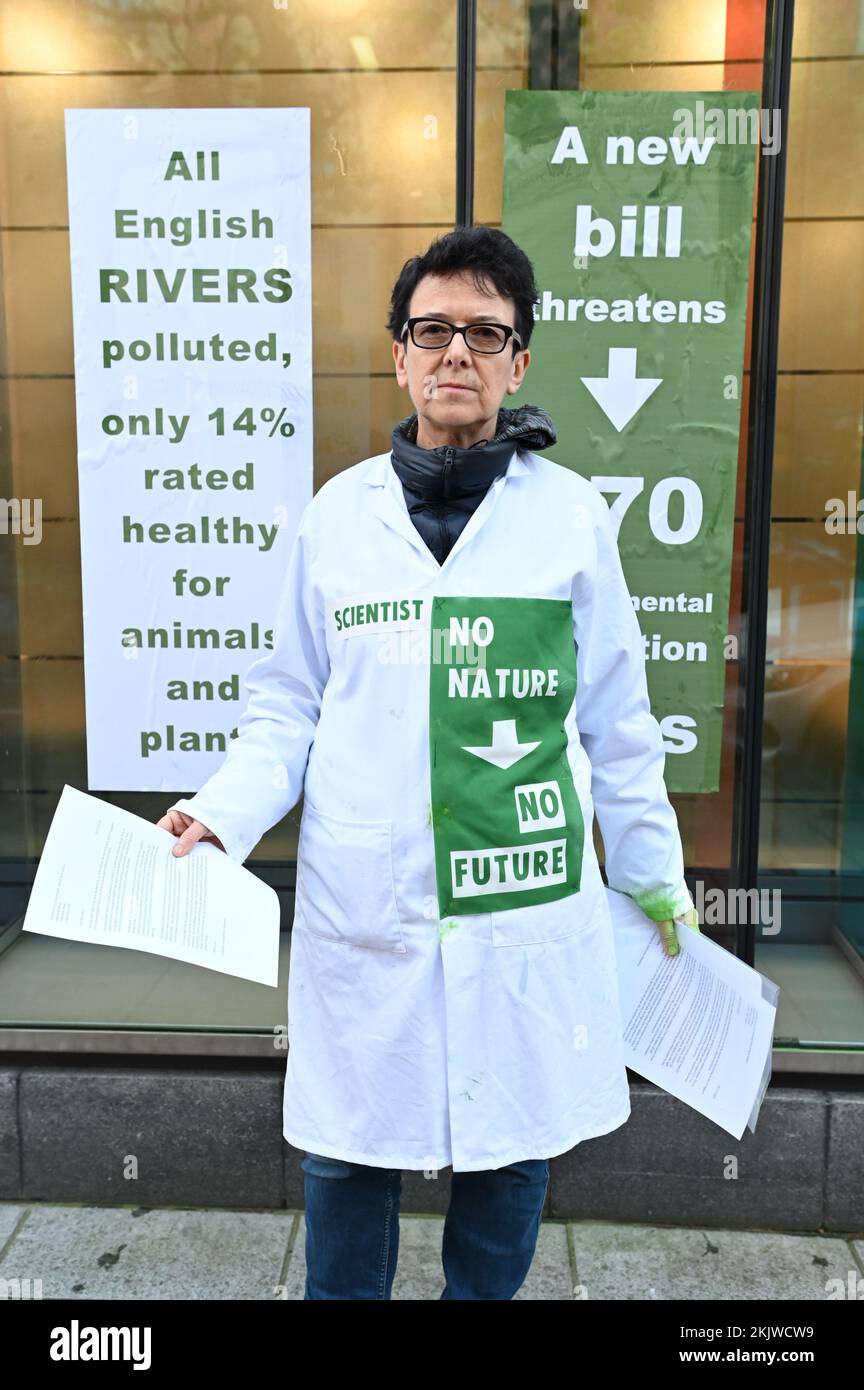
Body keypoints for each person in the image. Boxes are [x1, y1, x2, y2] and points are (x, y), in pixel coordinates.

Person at [158, 225, 700, 1300]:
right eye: (434, 329)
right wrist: (219, 814)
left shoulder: (571, 524)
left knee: (511, 1147)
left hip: (521, 889)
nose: (458, 351)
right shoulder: (335, 519)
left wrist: (650, 879)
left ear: (518, 361)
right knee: (349, 1152)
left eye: (485, 333)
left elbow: (621, 726)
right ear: (400, 356)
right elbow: (286, 707)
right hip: (375, 898)